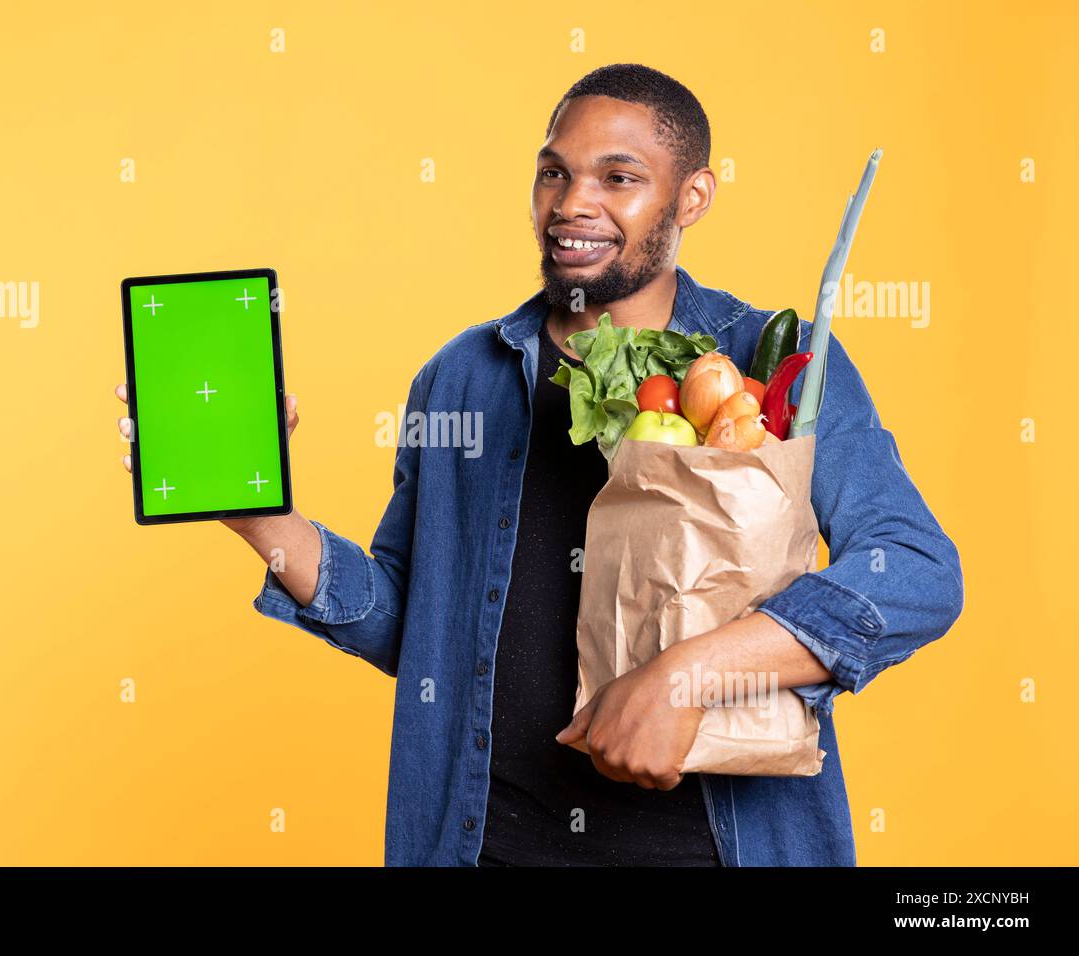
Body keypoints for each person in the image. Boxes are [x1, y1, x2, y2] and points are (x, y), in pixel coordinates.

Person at [113, 63, 964, 866]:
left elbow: (916, 572)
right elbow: (416, 628)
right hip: (485, 844)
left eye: (617, 178)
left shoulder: (778, 364)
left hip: (719, 845)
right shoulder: (461, 376)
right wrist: (259, 517)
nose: (572, 203)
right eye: (553, 174)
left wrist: (686, 678)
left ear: (692, 196)